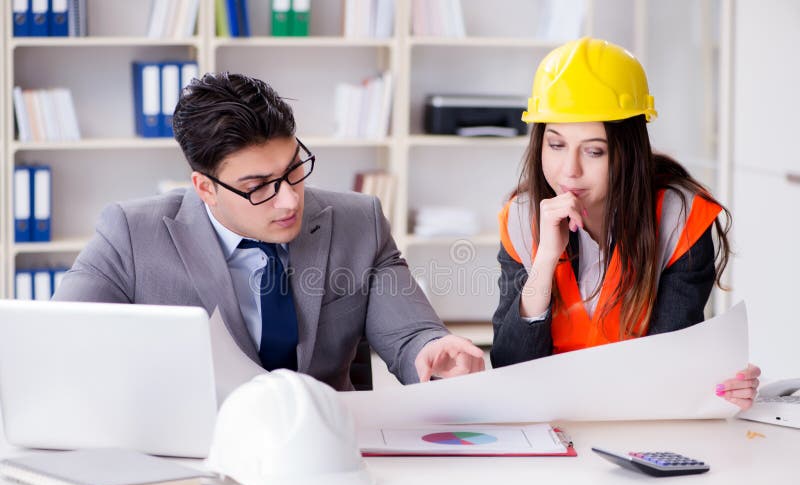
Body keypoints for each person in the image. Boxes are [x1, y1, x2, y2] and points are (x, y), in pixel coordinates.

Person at [53, 72, 485, 390]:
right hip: (193, 458)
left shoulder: (360, 221)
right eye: (258, 187)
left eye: (294, 170)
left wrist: (432, 351)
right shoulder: (131, 235)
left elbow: (412, 335)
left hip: (324, 452)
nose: (289, 200)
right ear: (205, 188)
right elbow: (58, 341)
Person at [490, 37, 759, 410]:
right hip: (548, 422)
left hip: (638, 424)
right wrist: (545, 261)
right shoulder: (520, 219)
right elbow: (508, 366)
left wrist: (717, 383)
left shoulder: (679, 220)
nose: (570, 170)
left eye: (594, 150)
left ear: (627, 151)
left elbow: (667, 370)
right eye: (556, 145)